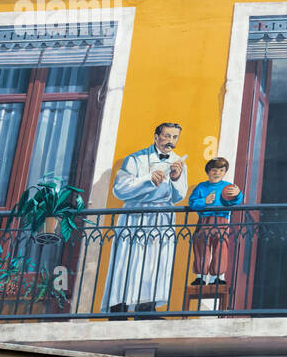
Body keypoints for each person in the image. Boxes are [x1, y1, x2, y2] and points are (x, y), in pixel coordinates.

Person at [102, 123, 187, 315]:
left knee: (155, 265)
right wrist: (147, 180)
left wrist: (175, 178)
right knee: (127, 263)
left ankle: (146, 310)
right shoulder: (135, 159)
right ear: (156, 137)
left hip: (162, 218)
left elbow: (179, 196)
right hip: (135, 217)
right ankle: (119, 310)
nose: (171, 141)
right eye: (167, 136)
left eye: (174, 137)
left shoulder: (179, 163)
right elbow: (120, 189)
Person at [188, 157, 243, 286]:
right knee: (201, 248)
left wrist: (238, 194)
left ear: (225, 172)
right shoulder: (201, 187)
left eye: (221, 170)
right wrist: (204, 201)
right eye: (214, 170)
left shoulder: (227, 186)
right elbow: (192, 203)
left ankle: (216, 277)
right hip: (204, 221)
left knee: (221, 248)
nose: (217, 173)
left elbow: (233, 202)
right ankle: (200, 277)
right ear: (208, 172)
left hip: (221, 221)